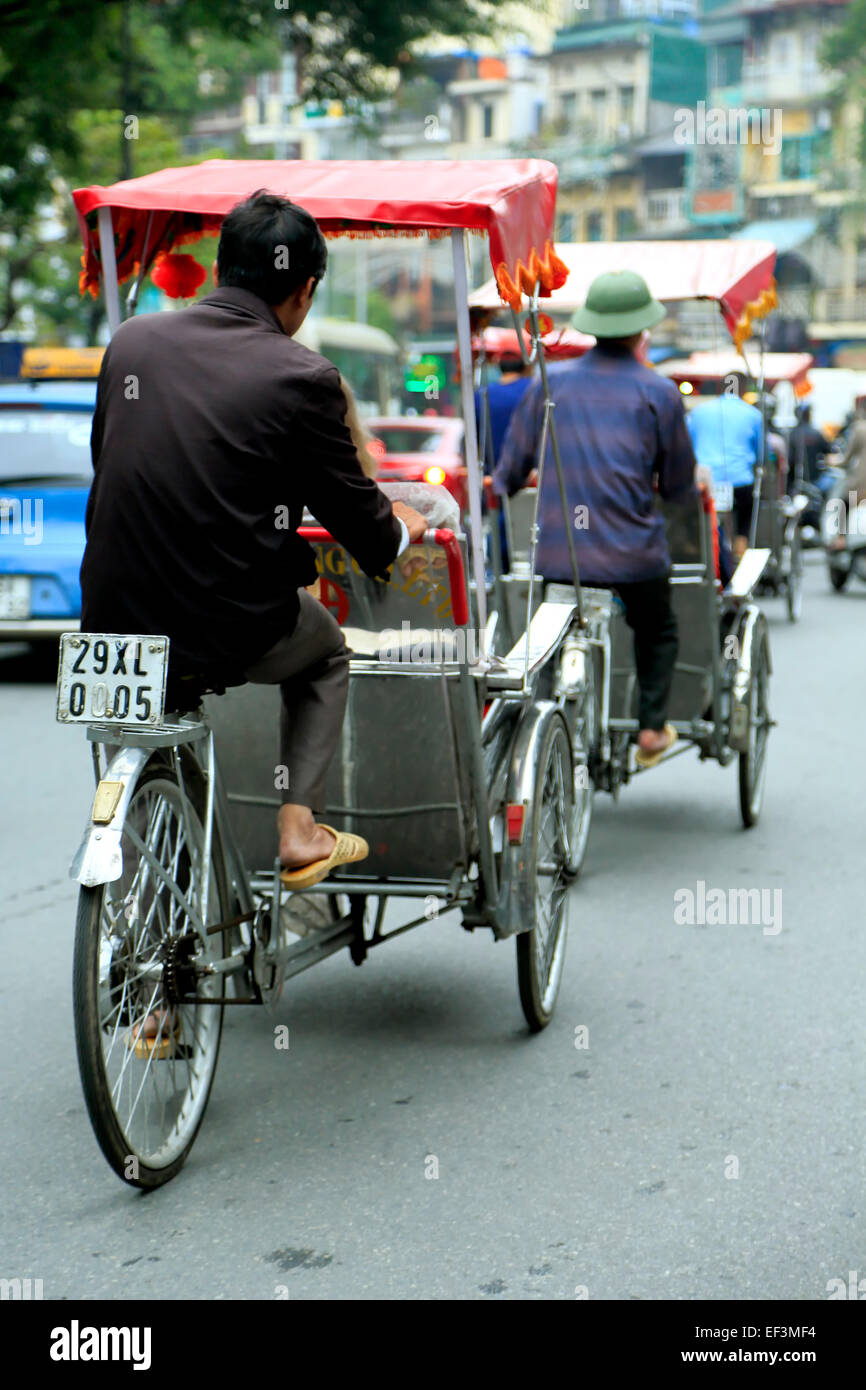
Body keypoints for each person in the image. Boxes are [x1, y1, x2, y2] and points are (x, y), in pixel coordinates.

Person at [81, 190, 427, 889]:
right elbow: (370, 537)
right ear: (303, 292)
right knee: (326, 656)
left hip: (110, 617)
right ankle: (298, 829)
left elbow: (112, 463)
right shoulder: (301, 377)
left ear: (220, 268)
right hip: (229, 621)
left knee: (153, 732)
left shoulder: (132, 343)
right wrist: (405, 523)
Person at [493, 268, 697, 767]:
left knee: (545, 637)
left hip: (560, 555)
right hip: (634, 558)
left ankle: (537, 723)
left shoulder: (547, 384)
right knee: (658, 628)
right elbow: (677, 487)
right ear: (641, 331)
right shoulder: (659, 391)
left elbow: (509, 475)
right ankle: (650, 728)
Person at [686, 380, 762, 557]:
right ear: (743, 390)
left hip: (704, 481)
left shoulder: (698, 411)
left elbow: (686, 444)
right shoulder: (753, 414)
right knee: (746, 510)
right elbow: (761, 453)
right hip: (739, 480)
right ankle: (741, 545)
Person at [787, 403, 831, 490]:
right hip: (814, 479)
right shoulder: (816, 433)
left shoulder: (790, 434)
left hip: (794, 482)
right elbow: (828, 450)